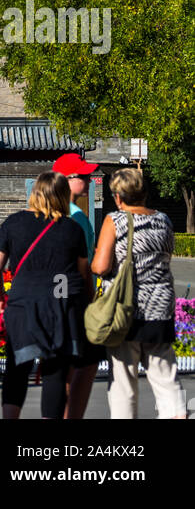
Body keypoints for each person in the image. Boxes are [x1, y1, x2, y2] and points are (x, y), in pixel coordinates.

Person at [0, 171, 90, 420]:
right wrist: (85, 308)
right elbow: (83, 273)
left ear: (35, 193)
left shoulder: (13, 223)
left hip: (22, 304)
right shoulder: (73, 229)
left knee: (17, 368)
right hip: (61, 304)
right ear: (63, 196)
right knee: (55, 369)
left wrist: (0, 298)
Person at [91, 166, 186, 420]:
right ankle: (176, 415)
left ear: (118, 197)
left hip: (126, 308)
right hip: (160, 307)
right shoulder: (163, 219)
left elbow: (100, 267)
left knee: (123, 380)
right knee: (165, 373)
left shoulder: (115, 220)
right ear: (144, 193)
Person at [51, 151, 102, 419]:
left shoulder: (47, 210)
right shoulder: (75, 216)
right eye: (84, 176)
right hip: (76, 294)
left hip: (53, 295)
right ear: (67, 180)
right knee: (80, 361)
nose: (90, 179)